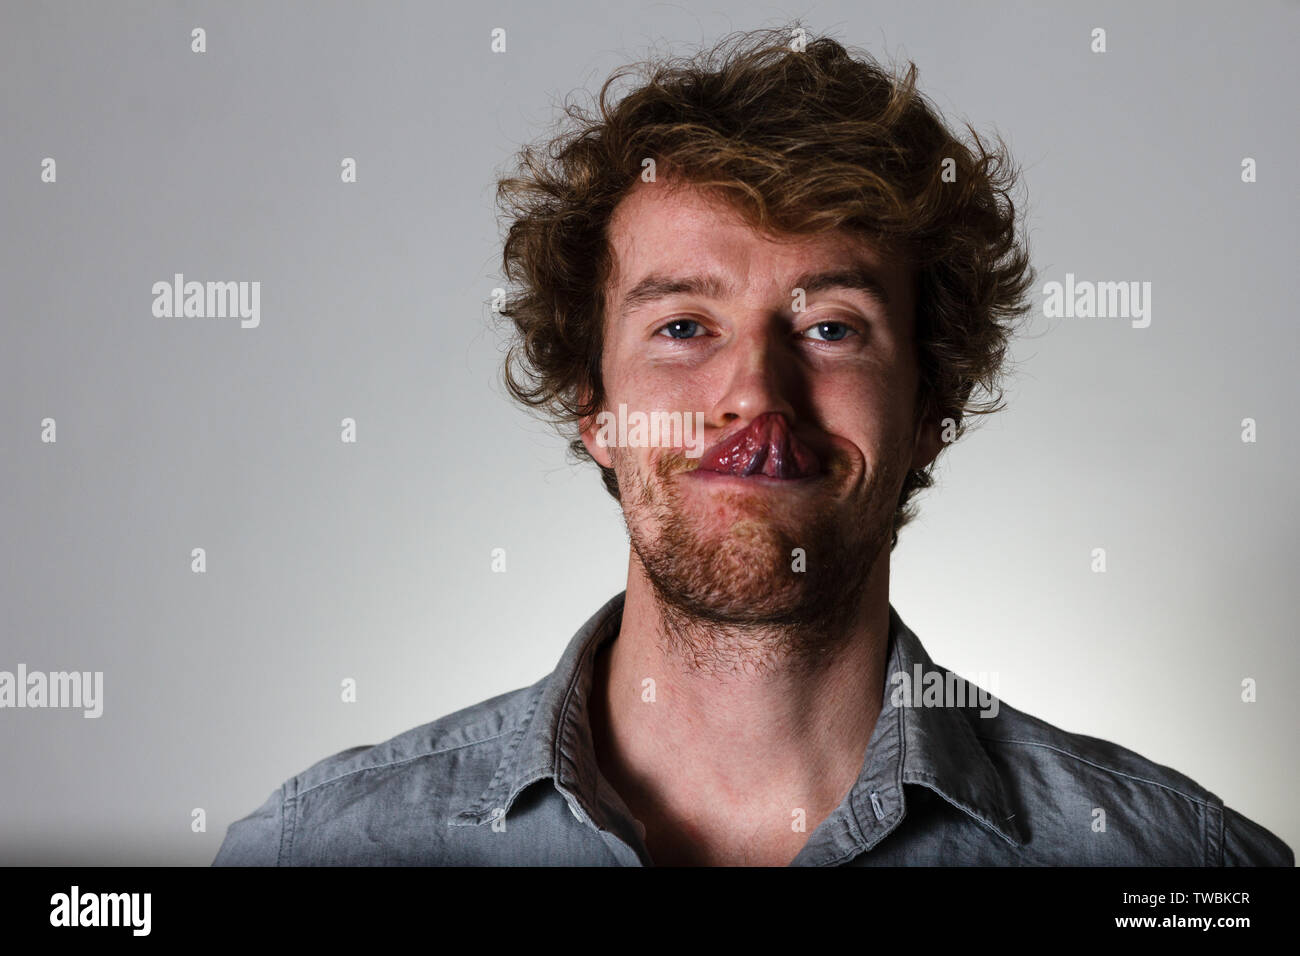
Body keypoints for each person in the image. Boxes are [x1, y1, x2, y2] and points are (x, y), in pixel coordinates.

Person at [213, 27, 1292, 866]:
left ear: (930, 404)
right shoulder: (319, 849)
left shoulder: (1178, 867)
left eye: (830, 327)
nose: (755, 397)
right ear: (592, 405)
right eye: (682, 327)